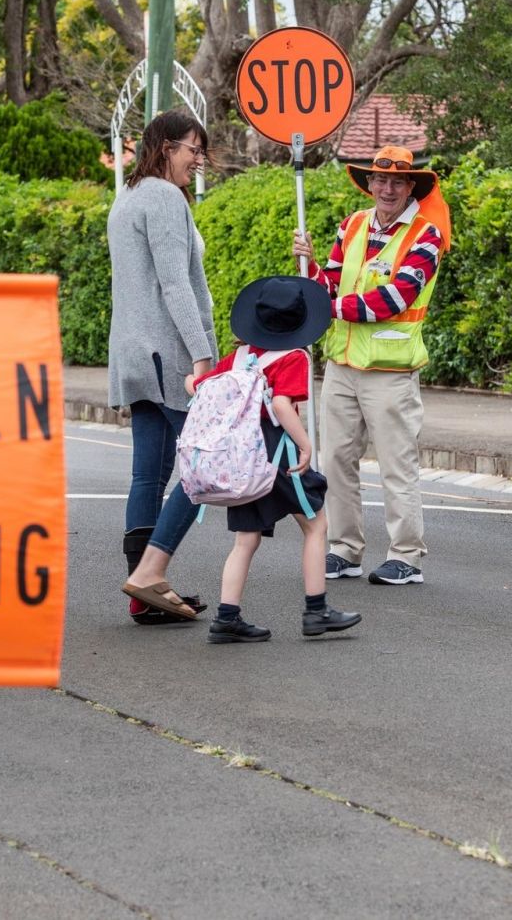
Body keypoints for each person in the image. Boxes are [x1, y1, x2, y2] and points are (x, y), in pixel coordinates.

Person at [291, 145, 446, 587]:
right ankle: (344, 549)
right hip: (341, 364)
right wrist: (312, 265)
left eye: (397, 181)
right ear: (370, 183)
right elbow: (330, 286)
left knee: (398, 464)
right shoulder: (352, 225)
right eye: (380, 180)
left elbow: (396, 298)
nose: (387, 188)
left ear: (410, 186)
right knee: (336, 459)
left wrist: (330, 305)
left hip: (391, 370)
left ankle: (407, 556)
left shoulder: (426, 235)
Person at [188, 276, 361, 643]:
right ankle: (316, 611)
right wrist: (306, 445)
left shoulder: (240, 355)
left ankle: (227, 617)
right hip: (277, 451)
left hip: (242, 457)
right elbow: (282, 404)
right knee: (315, 525)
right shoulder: (294, 356)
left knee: (245, 539)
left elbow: (201, 388)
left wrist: (193, 379)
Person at [108, 110, 216, 623]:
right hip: (167, 353)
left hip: (131, 350)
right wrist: (201, 353)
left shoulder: (125, 198)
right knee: (204, 467)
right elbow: (175, 284)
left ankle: (142, 596)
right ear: (166, 147)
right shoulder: (165, 198)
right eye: (192, 150)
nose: (198, 161)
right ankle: (153, 570)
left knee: (148, 474)